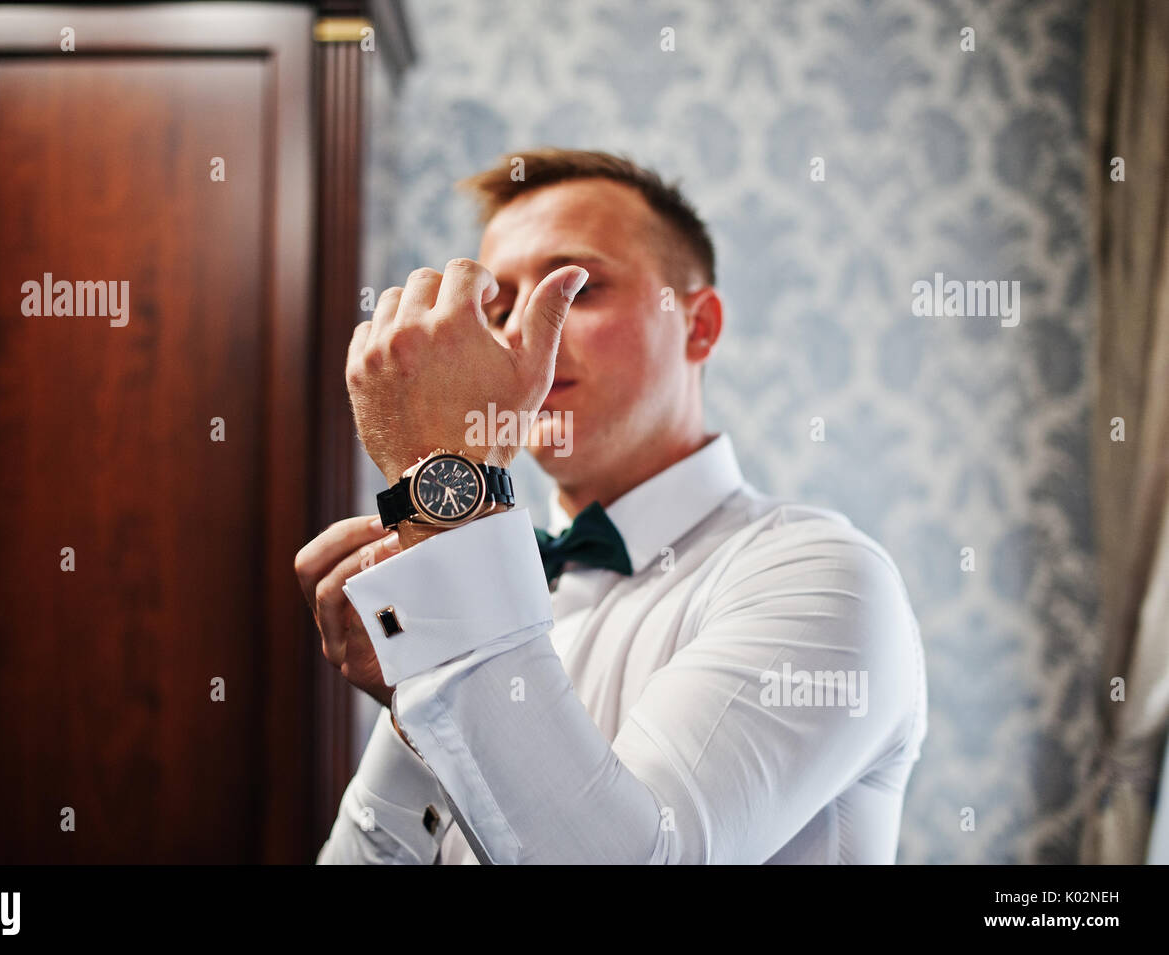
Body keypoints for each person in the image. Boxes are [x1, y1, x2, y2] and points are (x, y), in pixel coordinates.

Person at [296, 148, 928, 864]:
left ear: (700, 325)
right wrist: (421, 710)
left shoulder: (825, 576)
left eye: (579, 288)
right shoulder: (486, 587)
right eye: (497, 307)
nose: (520, 335)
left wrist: (440, 483)